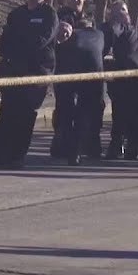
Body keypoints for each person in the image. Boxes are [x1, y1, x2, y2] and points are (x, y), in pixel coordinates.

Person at [0, 0, 58, 168]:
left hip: (36, 73)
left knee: (25, 114)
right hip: (13, 70)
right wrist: (3, 65)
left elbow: (40, 41)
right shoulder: (17, 14)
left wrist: (18, 47)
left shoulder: (49, 15)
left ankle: (16, 156)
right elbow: (5, 42)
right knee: (6, 111)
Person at [53, 17, 106, 165]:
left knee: (66, 114)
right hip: (93, 75)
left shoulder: (73, 35)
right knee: (86, 115)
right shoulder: (99, 35)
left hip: (69, 74)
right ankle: (86, 149)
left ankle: (66, 148)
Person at [103, 1, 138, 160]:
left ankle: (129, 145)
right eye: (117, 11)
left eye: (123, 10)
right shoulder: (114, 29)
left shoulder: (134, 32)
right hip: (122, 78)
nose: (121, 14)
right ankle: (120, 144)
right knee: (120, 113)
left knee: (133, 113)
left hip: (137, 77)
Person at [51, 0, 89, 159]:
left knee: (82, 110)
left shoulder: (89, 18)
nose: (76, 0)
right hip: (65, 68)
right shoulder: (59, 17)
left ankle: (77, 146)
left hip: (86, 69)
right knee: (64, 109)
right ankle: (61, 145)